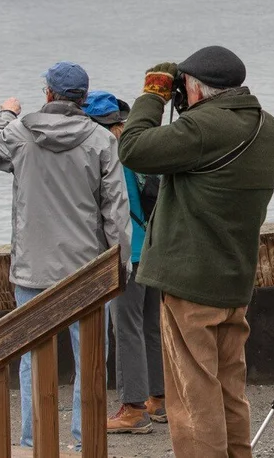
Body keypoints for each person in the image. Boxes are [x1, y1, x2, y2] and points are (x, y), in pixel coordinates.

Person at [118, 46, 274, 458]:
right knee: (229, 390)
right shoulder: (266, 125)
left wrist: (153, 95)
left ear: (195, 87)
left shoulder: (202, 128)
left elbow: (132, 148)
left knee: (193, 398)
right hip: (234, 277)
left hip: (190, 283)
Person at [0, 62, 129, 451]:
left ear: (48, 94)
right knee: (90, 359)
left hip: (32, 266)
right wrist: (119, 265)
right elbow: (115, 210)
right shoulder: (101, 140)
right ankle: (84, 442)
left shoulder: (19, 133)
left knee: (31, 357)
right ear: (83, 97)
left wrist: (5, 114)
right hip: (87, 270)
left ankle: (33, 442)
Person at [82, 91, 166, 434]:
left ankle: (133, 408)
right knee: (151, 326)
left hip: (127, 253)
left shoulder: (104, 154)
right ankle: (159, 399)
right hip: (153, 249)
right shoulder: (137, 150)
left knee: (127, 329)